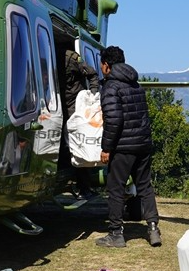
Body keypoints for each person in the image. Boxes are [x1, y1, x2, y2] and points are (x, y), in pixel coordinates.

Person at [94, 46, 160, 248]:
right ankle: (153, 229)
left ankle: (115, 233)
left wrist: (106, 148)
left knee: (116, 188)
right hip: (143, 144)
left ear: (106, 65)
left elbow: (114, 120)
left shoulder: (111, 87)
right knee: (144, 186)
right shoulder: (135, 84)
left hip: (123, 146)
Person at [59, 49, 100, 200]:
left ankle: (84, 187)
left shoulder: (70, 57)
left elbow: (92, 74)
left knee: (78, 146)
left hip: (76, 107)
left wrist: (92, 96)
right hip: (59, 106)